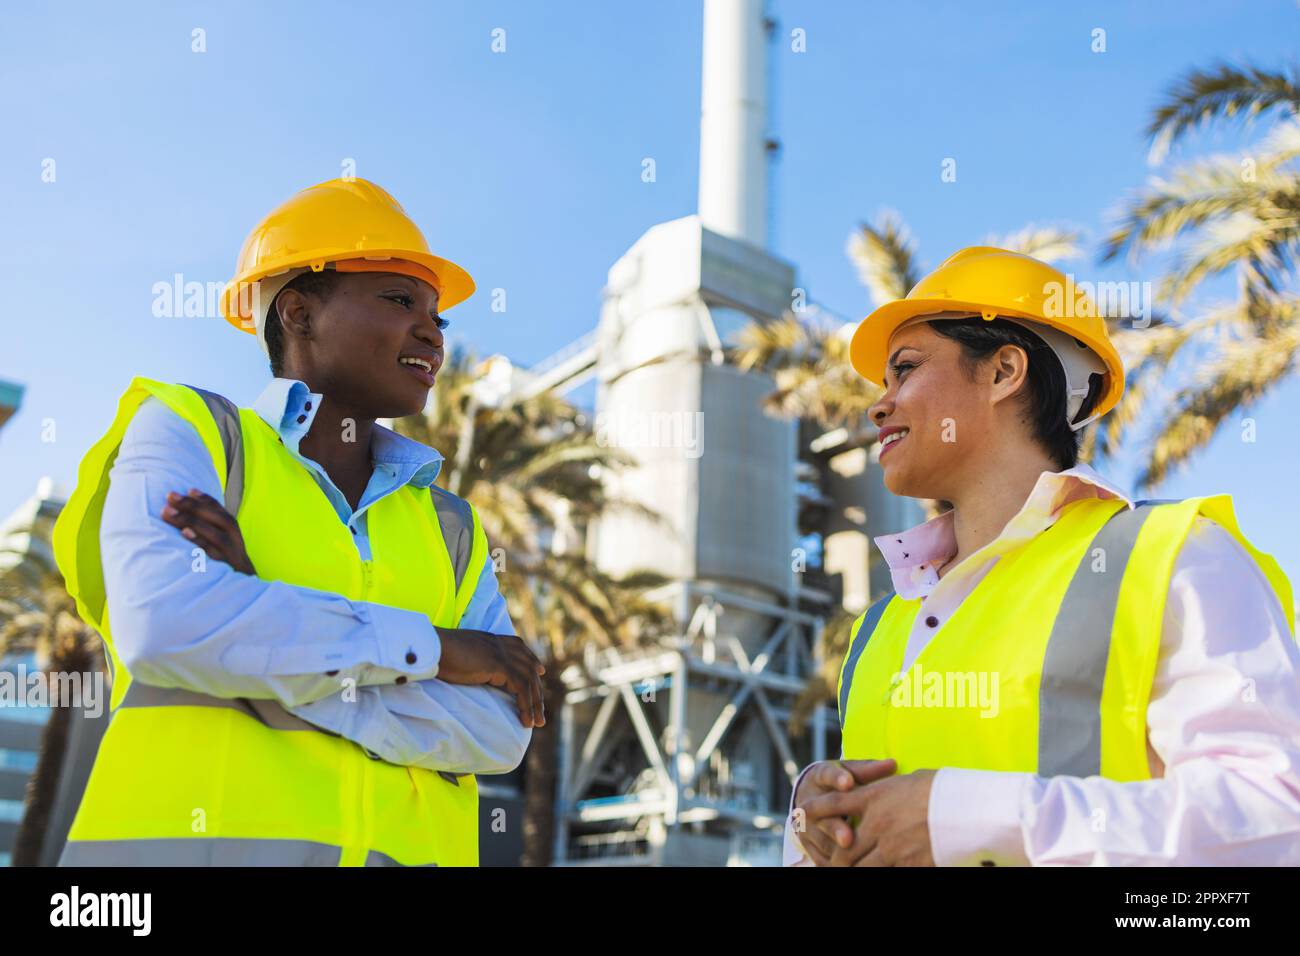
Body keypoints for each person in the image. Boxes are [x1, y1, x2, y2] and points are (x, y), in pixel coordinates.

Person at [52, 177, 544, 866]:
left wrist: (263, 632)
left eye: (439, 316)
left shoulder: (452, 528)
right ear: (299, 313)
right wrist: (435, 652)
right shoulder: (193, 431)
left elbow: (500, 731)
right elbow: (167, 625)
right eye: (401, 300)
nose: (432, 331)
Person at [785, 246, 1300, 866]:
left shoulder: (1173, 558)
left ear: (1004, 371)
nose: (879, 404)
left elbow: (1273, 823)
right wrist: (814, 827)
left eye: (906, 369)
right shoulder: (878, 628)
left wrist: (967, 819)